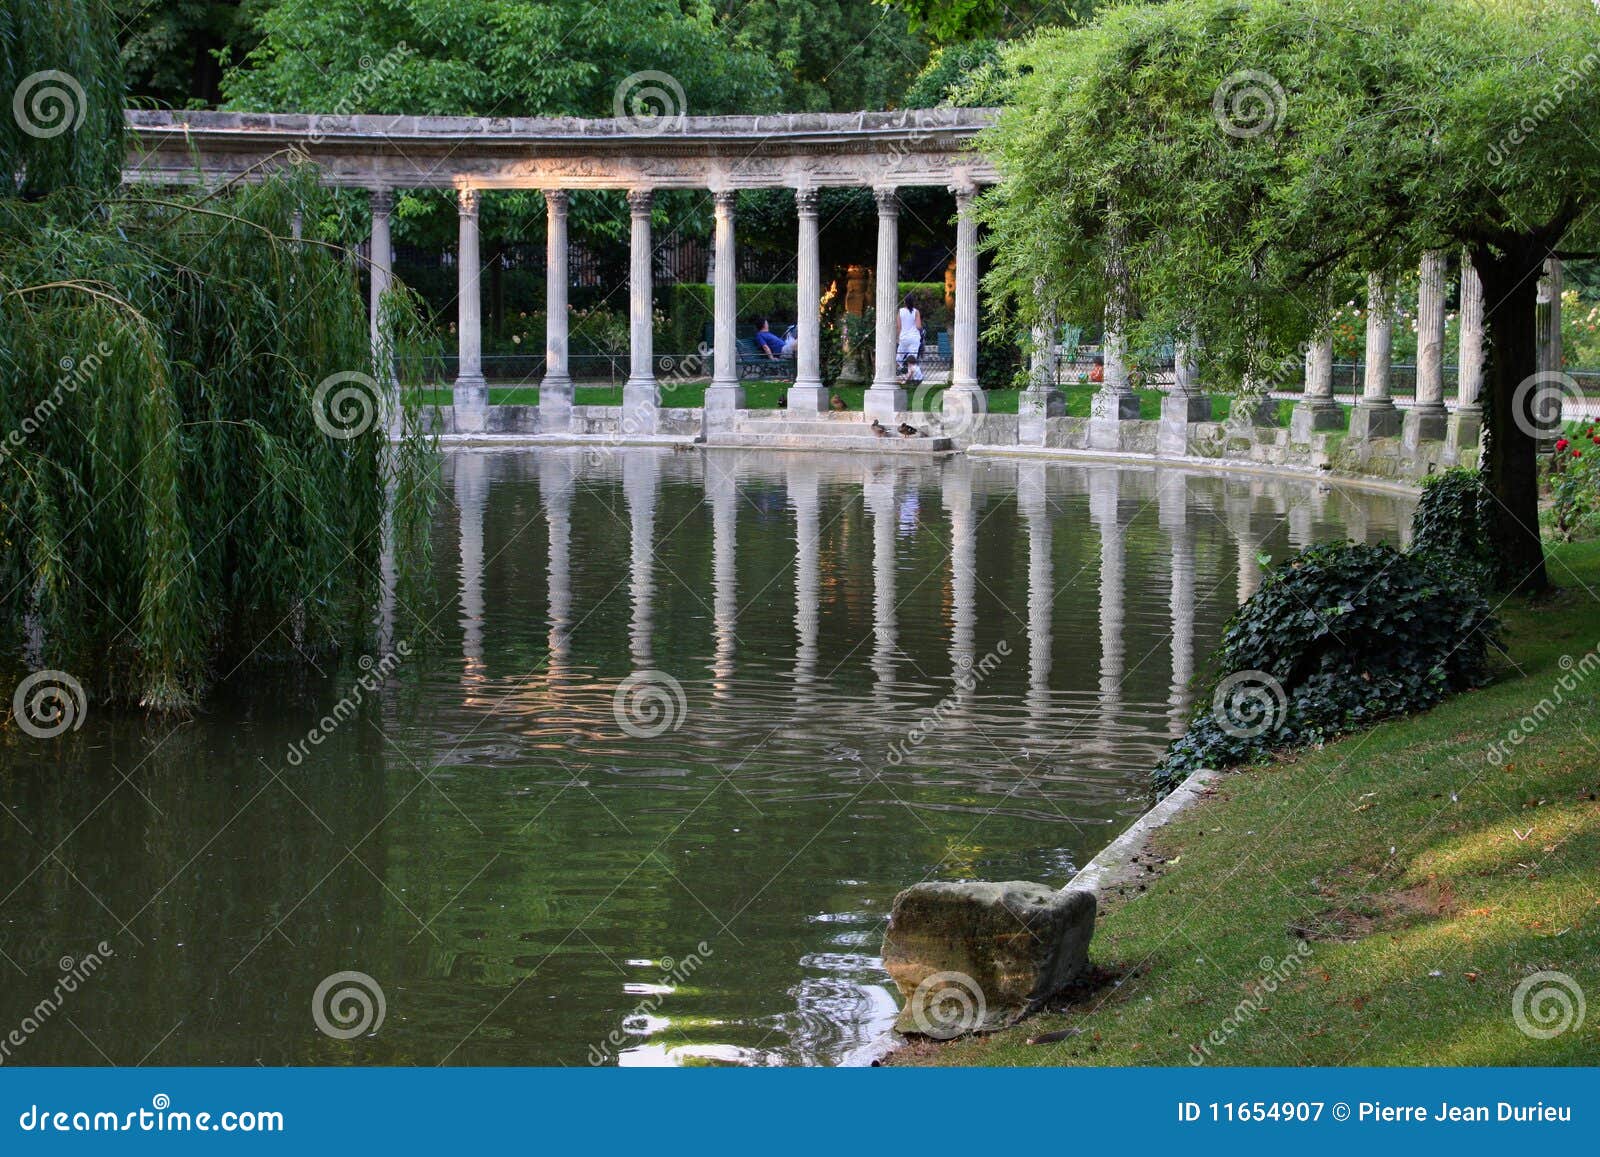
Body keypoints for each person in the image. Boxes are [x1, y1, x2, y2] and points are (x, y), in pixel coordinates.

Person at [896, 294, 922, 368]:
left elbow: (898, 327)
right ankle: (912, 376)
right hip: (914, 338)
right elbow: (918, 326)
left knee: (899, 358)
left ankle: (896, 374)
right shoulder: (916, 312)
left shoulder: (900, 311)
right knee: (912, 359)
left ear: (904, 302)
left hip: (903, 337)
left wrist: (898, 338)